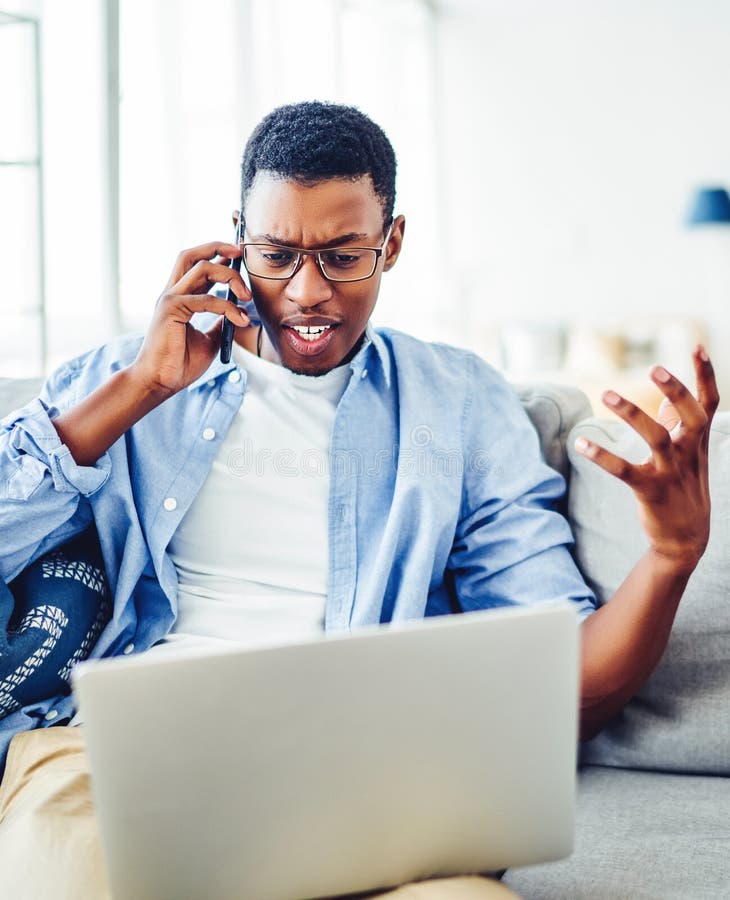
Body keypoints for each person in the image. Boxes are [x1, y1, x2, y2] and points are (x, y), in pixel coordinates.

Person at [0, 101, 718, 899]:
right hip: (110, 759)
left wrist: (669, 557)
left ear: (392, 244)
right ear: (236, 239)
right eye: (276, 255)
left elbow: (561, 691)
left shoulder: (459, 404)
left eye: (344, 257)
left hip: (356, 780)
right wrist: (141, 387)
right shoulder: (117, 378)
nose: (307, 291)